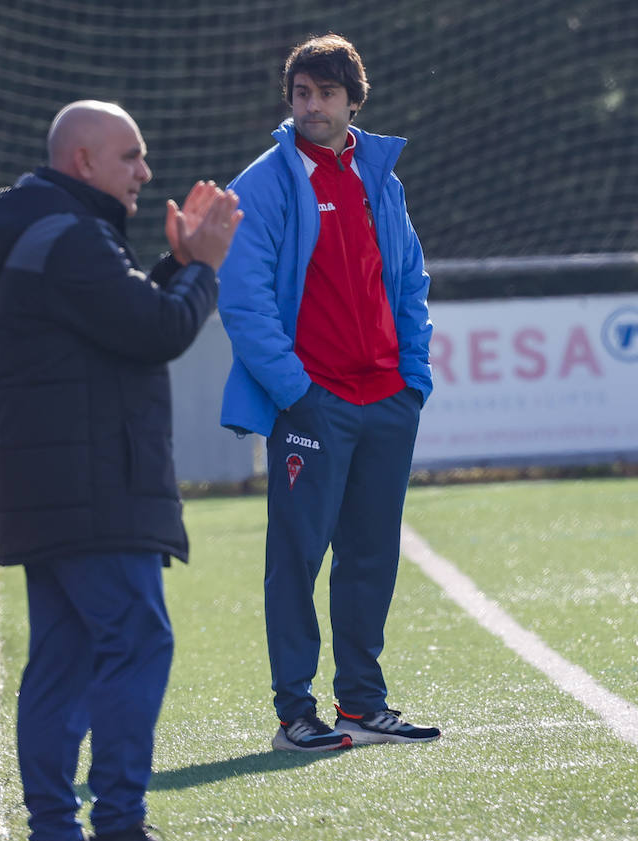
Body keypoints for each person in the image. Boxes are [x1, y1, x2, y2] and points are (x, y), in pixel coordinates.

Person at [0, 100, 241, 841]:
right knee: (135, 641)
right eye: (130, 157)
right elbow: (158, 333)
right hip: (90, 490)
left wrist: (175, 268)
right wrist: (203, 266)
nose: (145, 174)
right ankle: (117, 835)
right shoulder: (69, 235)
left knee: (64, 659)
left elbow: (123, 321)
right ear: (83, 162)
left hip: (55, 487)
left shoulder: (48, 230)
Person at [216, 34, 439, 752]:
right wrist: (297, 392)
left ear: (353, 99)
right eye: (302, 94)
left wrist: (414, 376)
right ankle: (294, 715)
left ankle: (361, 706)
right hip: (315, 404)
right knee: (298, 557)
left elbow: (409, 281)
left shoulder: (382, 177)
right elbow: (243, 301)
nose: (312, 106)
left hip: (387, 399)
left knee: (371, 555)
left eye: (327, 94)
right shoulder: (264, 183)